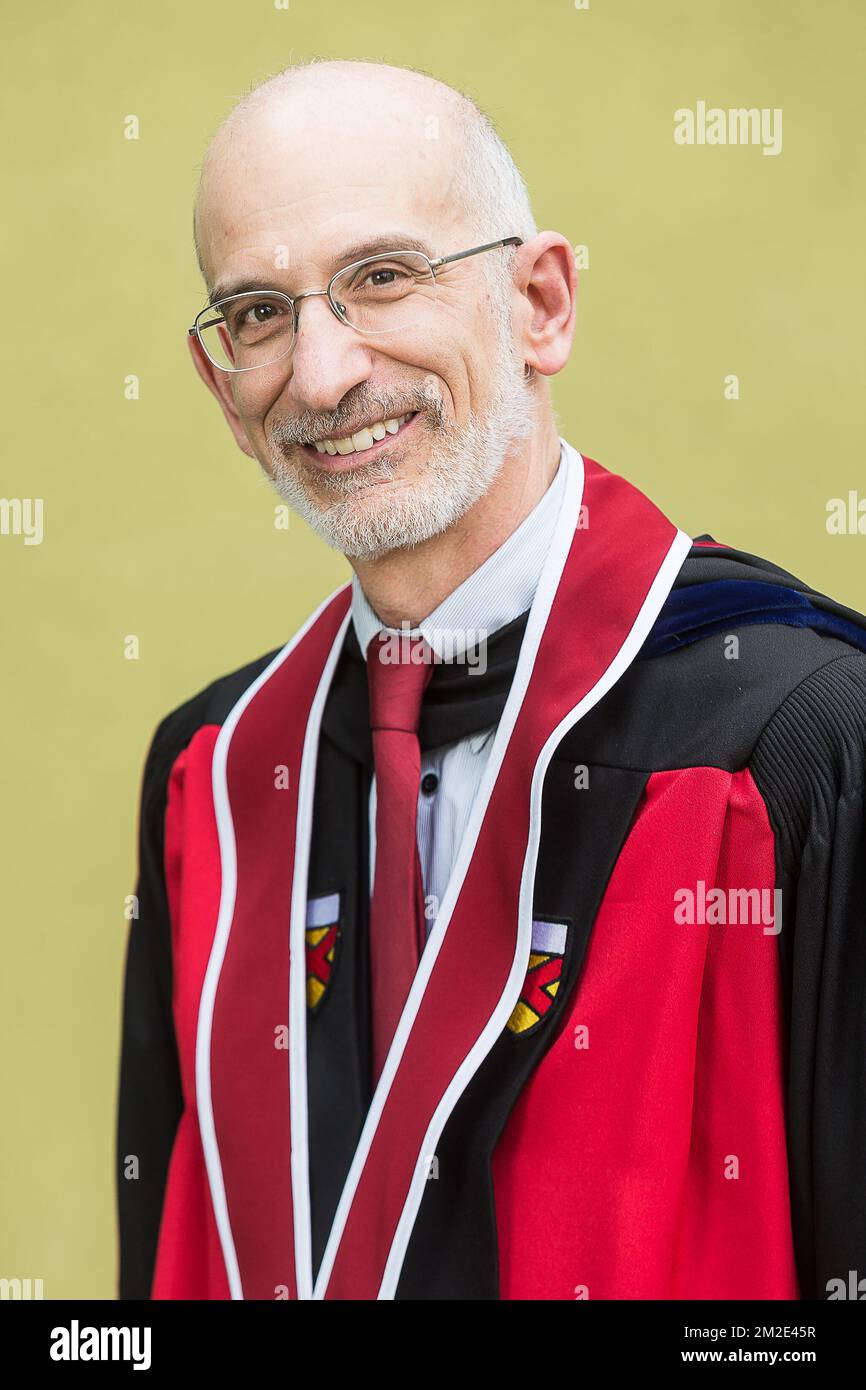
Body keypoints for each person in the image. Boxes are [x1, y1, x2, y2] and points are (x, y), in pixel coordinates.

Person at [117, 58, 866, 1301]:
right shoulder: (216, 773)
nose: (321, 374)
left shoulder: (800, 739)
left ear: (539, 303)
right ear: (223, 393)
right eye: (258, 312)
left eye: (381, 278)